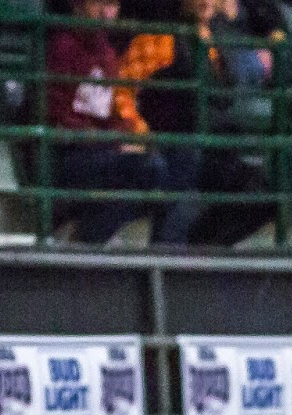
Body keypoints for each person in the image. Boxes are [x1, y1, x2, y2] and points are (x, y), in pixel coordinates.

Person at [114, 0, 274, 245]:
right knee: (185, 170)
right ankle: (167, 258)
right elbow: (122, 93)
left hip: (214, 146)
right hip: (171, 146)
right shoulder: (157, 39)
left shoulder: (217, 42)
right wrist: (141, 136)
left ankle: (199, 250)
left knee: (261, 194)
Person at [44, 0, 195, 245]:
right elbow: (57, 117)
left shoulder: (107, 52)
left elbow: (112, 112)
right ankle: (83, 242)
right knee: (146, 170)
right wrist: (114, 142)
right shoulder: (61, 48)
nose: (107, 13)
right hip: (67, 154)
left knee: (178, 164)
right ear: (78, 5)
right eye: (99, 4)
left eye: (112, 5)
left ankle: (163, 257)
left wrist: (131, 138)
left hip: (102, 150)